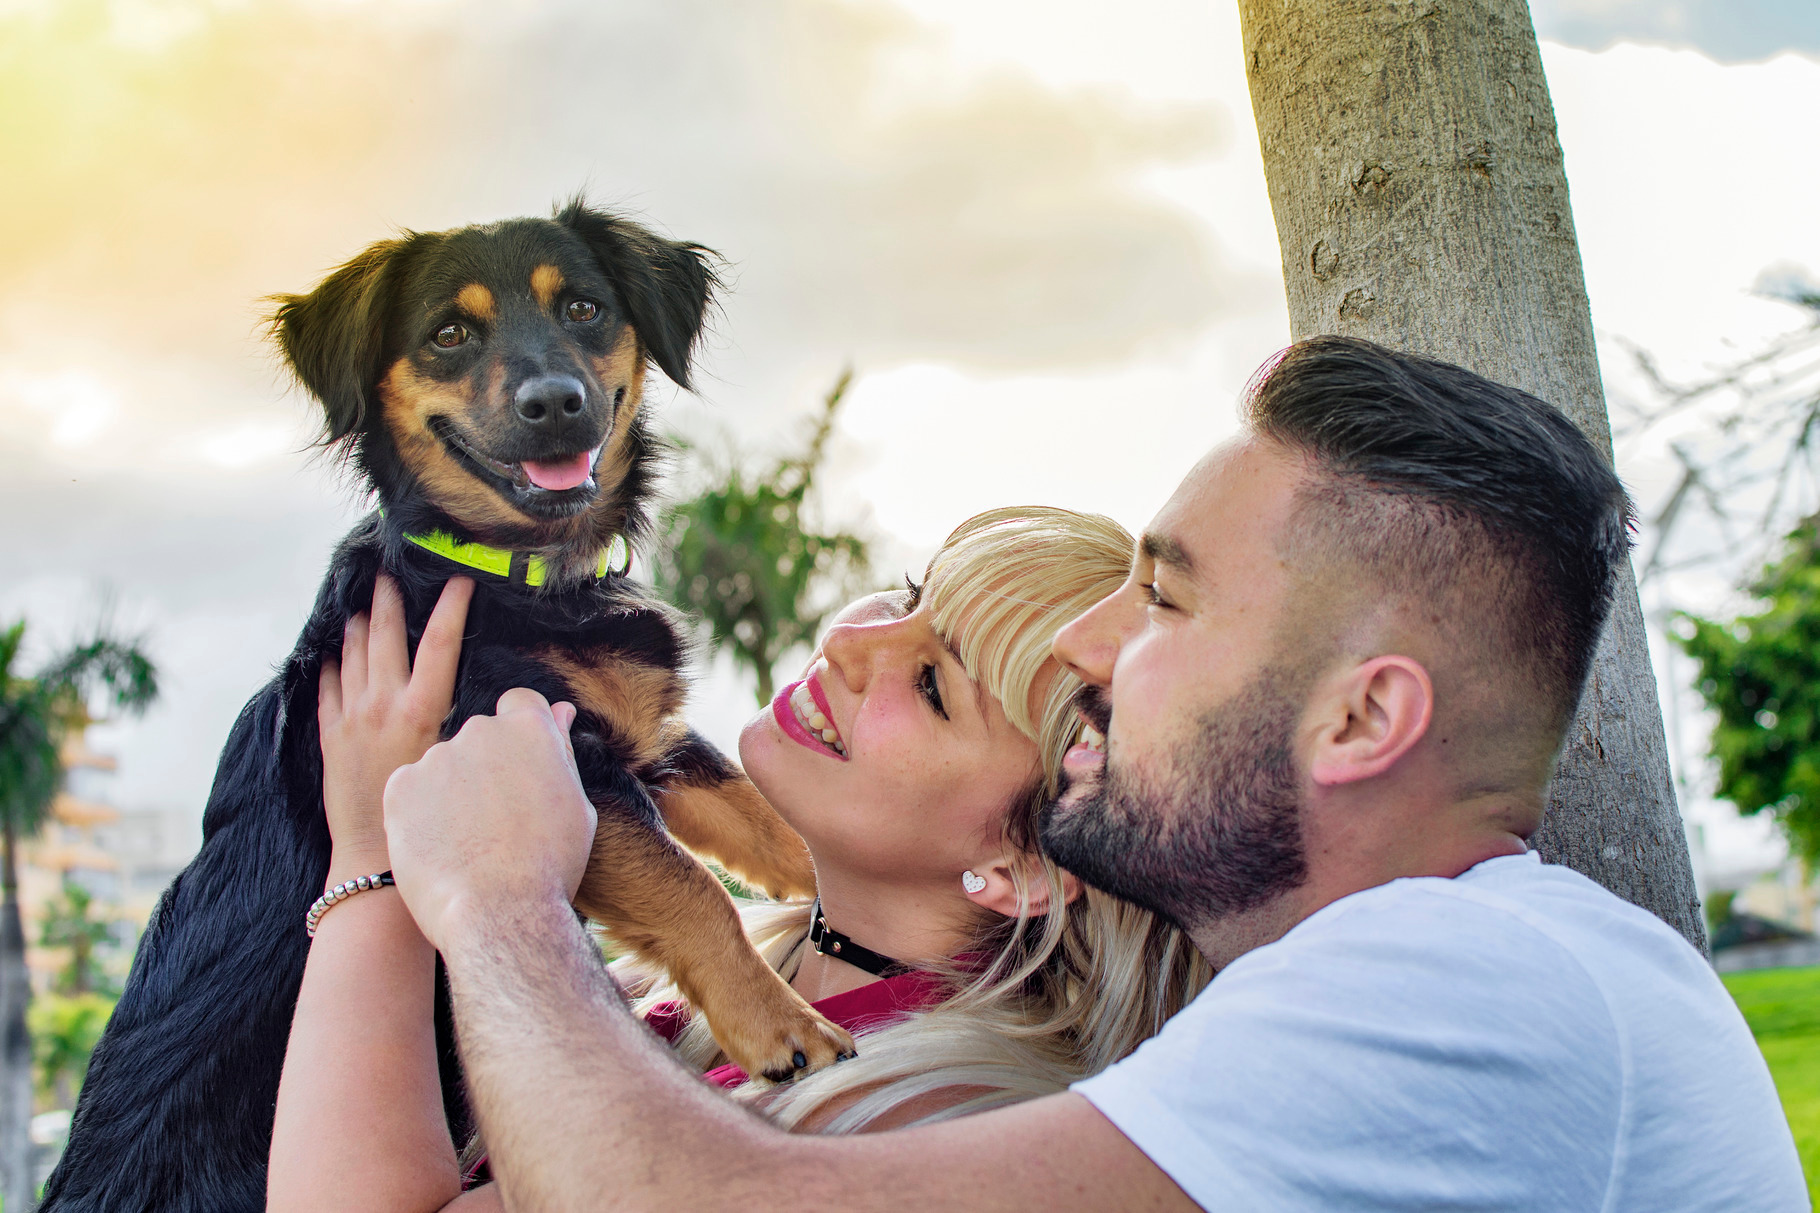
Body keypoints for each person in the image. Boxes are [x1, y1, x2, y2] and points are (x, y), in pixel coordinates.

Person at [374, 336, 1805, 1211]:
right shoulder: (1379, 988)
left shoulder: (1476, 980)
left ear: (1363, 723)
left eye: (1166, 603)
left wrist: (497, 904)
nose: (1089, 642)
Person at [267, 506, 1212, 1206]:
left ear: (1027, 870)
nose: (851, 638)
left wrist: (385, 858)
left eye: (931, 685)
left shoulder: (915, 1120)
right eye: (912, 594)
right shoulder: (728, 988)